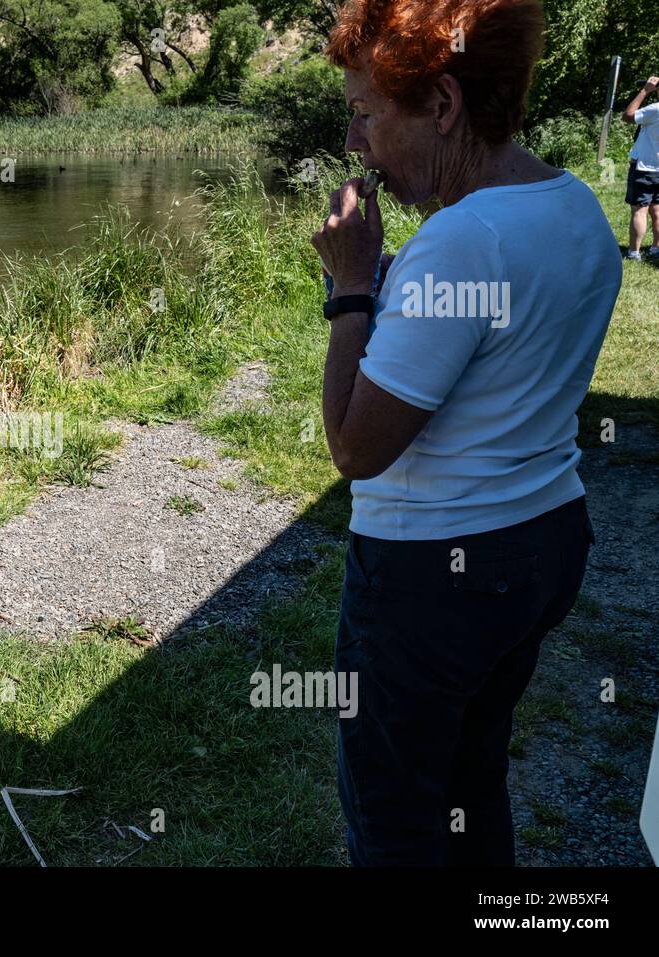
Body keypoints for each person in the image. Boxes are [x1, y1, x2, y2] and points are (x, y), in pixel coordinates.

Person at [310, 0, 622, 866]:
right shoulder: (579, 215)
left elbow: (355, 447)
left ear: (442, 107)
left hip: (430, 579)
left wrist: (350, 288)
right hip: (540, 546)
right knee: (471, 781)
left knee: (395, 819)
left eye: (367, 113)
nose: (354, 142)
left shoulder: (460, 242)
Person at [624, 76, 659, 261]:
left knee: (640, 210)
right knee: (658, 210)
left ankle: (634, 253)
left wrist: (645, 90)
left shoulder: (655, 110)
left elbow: (628, 116)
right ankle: (655, 248)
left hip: (646, 168)